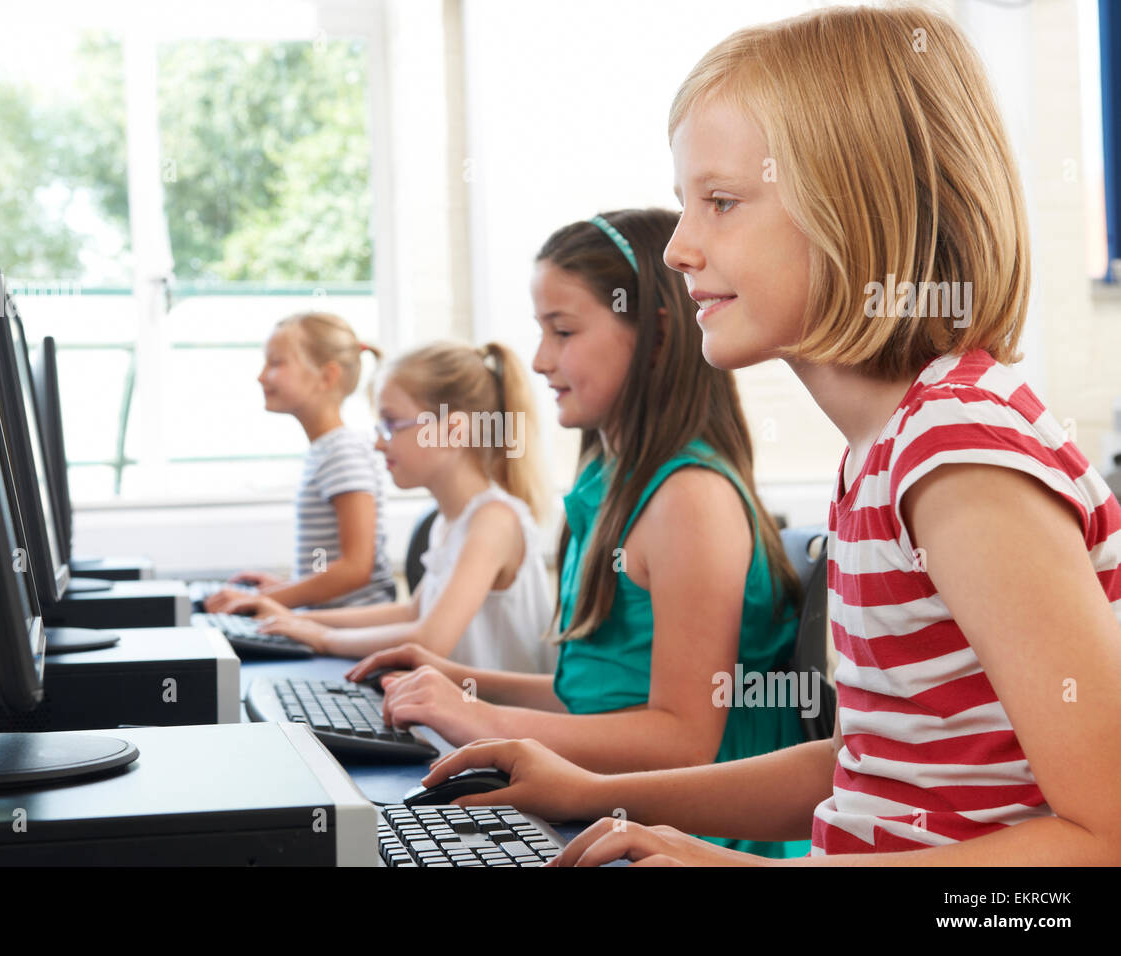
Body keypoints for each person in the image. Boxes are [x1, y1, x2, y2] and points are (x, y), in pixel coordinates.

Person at [424, 4, 1121, 866]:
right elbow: (863, 768)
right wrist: (593, 790)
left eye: (720, 202)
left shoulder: (958, 454)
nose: (677, 250)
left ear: (860, 211)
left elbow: (1103, 838)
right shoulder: (882, 453)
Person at [348, 208, 809, 858]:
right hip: (613, 802)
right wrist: (463, 680)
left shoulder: (690, 499)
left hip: (685, 834)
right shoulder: (610, 483)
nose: (539, 359)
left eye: (562, 331)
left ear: (655, 336)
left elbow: (682, 737)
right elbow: (598, 695)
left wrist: (486, 719)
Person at [240, 341, 556, 674]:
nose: (377, 442)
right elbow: (412, 613)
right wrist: (295, 618)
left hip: (501, 723)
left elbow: (431, 638)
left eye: (391, 424)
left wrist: (323, 638)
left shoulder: (494, 521)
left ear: (452, 430)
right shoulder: (449, 521)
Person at [206, 311, 396, 612]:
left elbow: (356, 568)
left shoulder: (342, 452)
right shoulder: (327, 450)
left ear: (327, 376)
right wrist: (286, 587)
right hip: (326, 621)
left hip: (350, 628)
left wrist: (261, 600)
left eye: (276, 363)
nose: (261, 375)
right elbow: (327, 564)